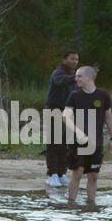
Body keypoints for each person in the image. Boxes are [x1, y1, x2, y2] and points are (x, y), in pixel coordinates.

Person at [62, 65, 112, 206]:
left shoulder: (103, 95)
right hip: (77, 141)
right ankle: (71, 204)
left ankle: (91, 205)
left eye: (79, 76)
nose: (76, 79)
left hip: (96, 142)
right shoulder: (75, 95)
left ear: (89, 77)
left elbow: (109, 118)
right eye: (76, 76)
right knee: (78, 172)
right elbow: (66, 116)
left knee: (93, 175)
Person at [44, 49, 80, 189]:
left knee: (65, 144)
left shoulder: (74, 76)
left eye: (76, 59)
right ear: (64, 59)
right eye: (72, 59)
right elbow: (59, 82)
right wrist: (76, 77)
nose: (75, 61)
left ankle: (61, 173)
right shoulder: (58, 72)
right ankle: (51, 174)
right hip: (54, 110)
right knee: (53, 143)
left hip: (68, 113)